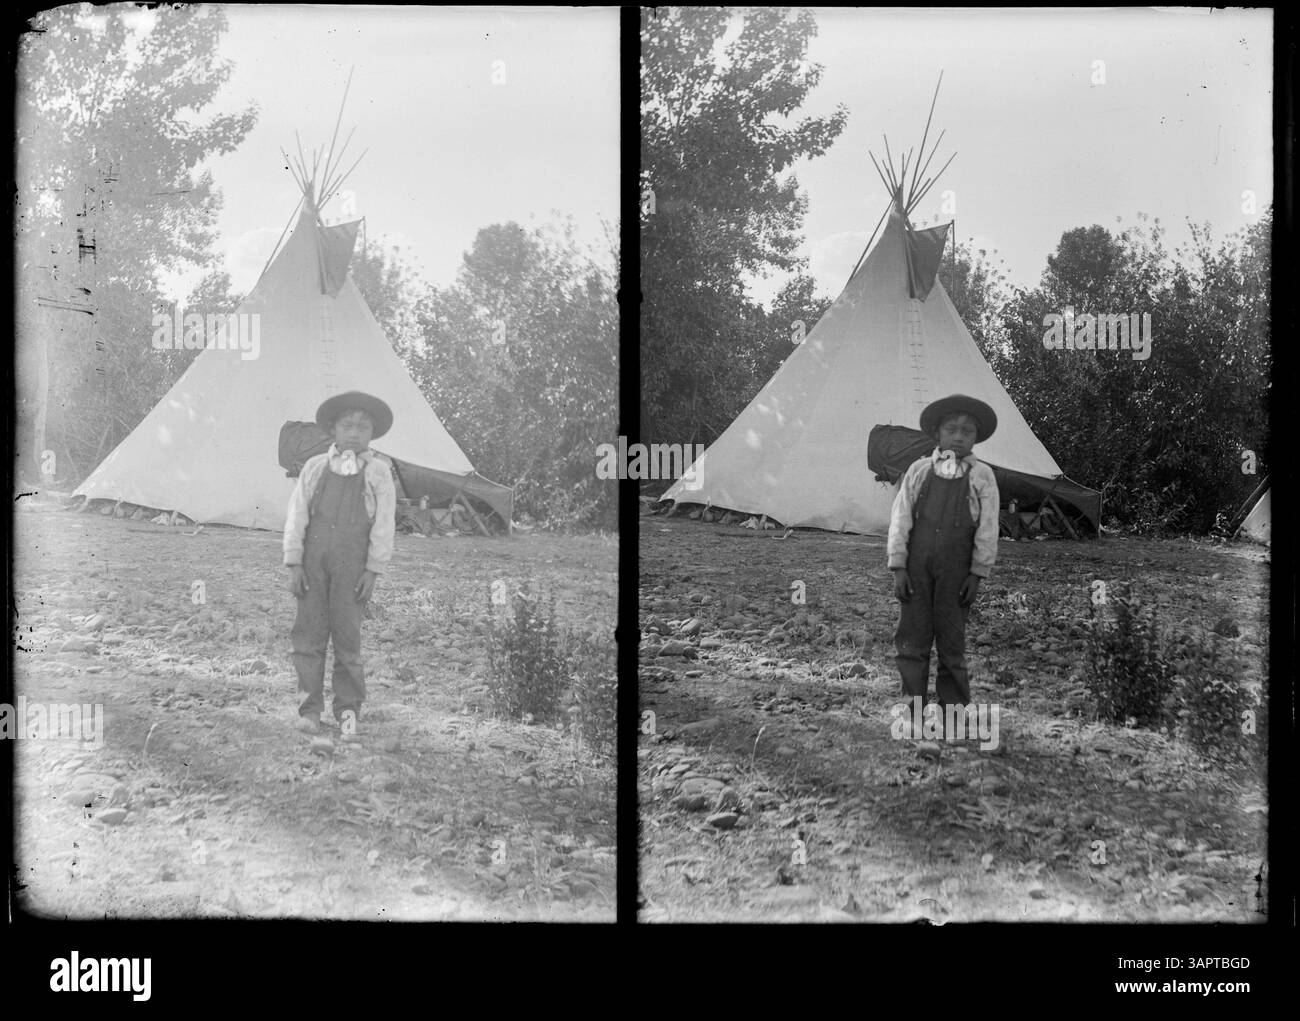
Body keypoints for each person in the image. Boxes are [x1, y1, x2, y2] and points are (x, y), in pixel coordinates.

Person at [283, 391, 397, 736]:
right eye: (347, 425)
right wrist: (294, 563)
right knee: (308, 636)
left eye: (363, 427)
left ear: (372, 434)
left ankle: (348, 710)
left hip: (353, 568)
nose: (354, 432)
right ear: (333, 429)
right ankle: (310, 710)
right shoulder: (316, 468)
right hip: (313, 565)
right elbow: (296, 516)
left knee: (348, 640)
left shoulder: (379, 473)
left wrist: (373, 570)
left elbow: (384, 525)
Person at [887, 394, 1000, 740]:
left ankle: (953, 719)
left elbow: (988, 528)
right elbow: (900, 518)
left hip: (957, 573)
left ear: (976, 437)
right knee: (912, 640)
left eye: (967, 431)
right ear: (937, 434)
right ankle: (911, 716)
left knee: (952, 645)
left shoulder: (982, 476)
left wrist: (977, 573)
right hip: (917, 569)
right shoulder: (919, 471)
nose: (959, 436)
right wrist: (899, 566)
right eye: (951, 429)